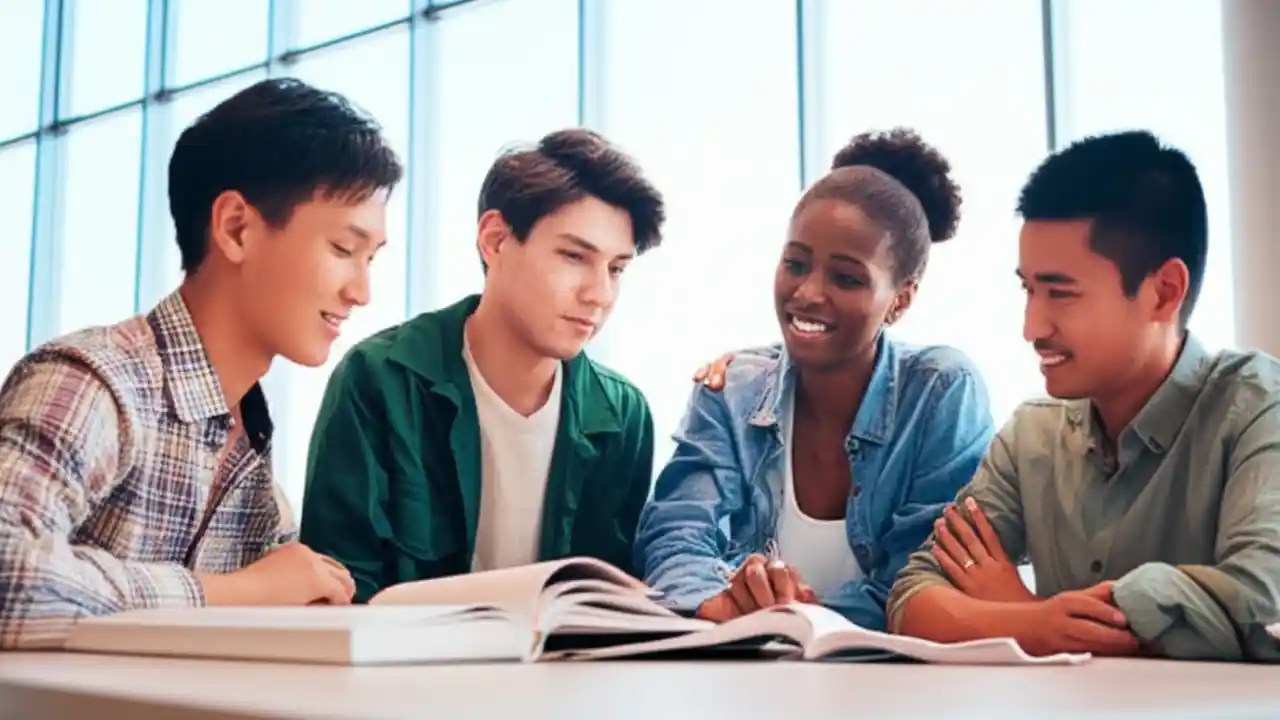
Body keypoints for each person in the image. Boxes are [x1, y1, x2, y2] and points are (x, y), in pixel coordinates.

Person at [0, 78, 403, 648]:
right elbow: (6, 573)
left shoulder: (253, 466)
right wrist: (240, 592)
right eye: (342, 249)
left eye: (371, 259)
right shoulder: (94, 382)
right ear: (236, 228)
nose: (361, 292)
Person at [888, 130, 1280, 661]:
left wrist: (1035, 613)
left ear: (1164, 291)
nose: (1032, 327)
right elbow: (915, 596)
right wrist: (1035, 622)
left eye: (1061, 293)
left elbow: (1264, 608)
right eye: (1028, 289)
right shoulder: (1032, 434)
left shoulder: (1258, 409)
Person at [633, 129, 994, 631]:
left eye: (846, 278)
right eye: (795, 264)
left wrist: (797, 620)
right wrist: (717, 600)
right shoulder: (730, 391)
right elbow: (676, 531)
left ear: (901, 299)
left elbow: (923, 574)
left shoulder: (940, 392)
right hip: (750, 677)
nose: (807, 293)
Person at [299, 128, 666, 602]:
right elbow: (338, 594)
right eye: (575, 257)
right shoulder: (379, 379)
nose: (599, 294)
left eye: (616, 268)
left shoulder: (623, 415)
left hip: (564, 674)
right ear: (494, 240)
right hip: (400, 671)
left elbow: (612, 603)